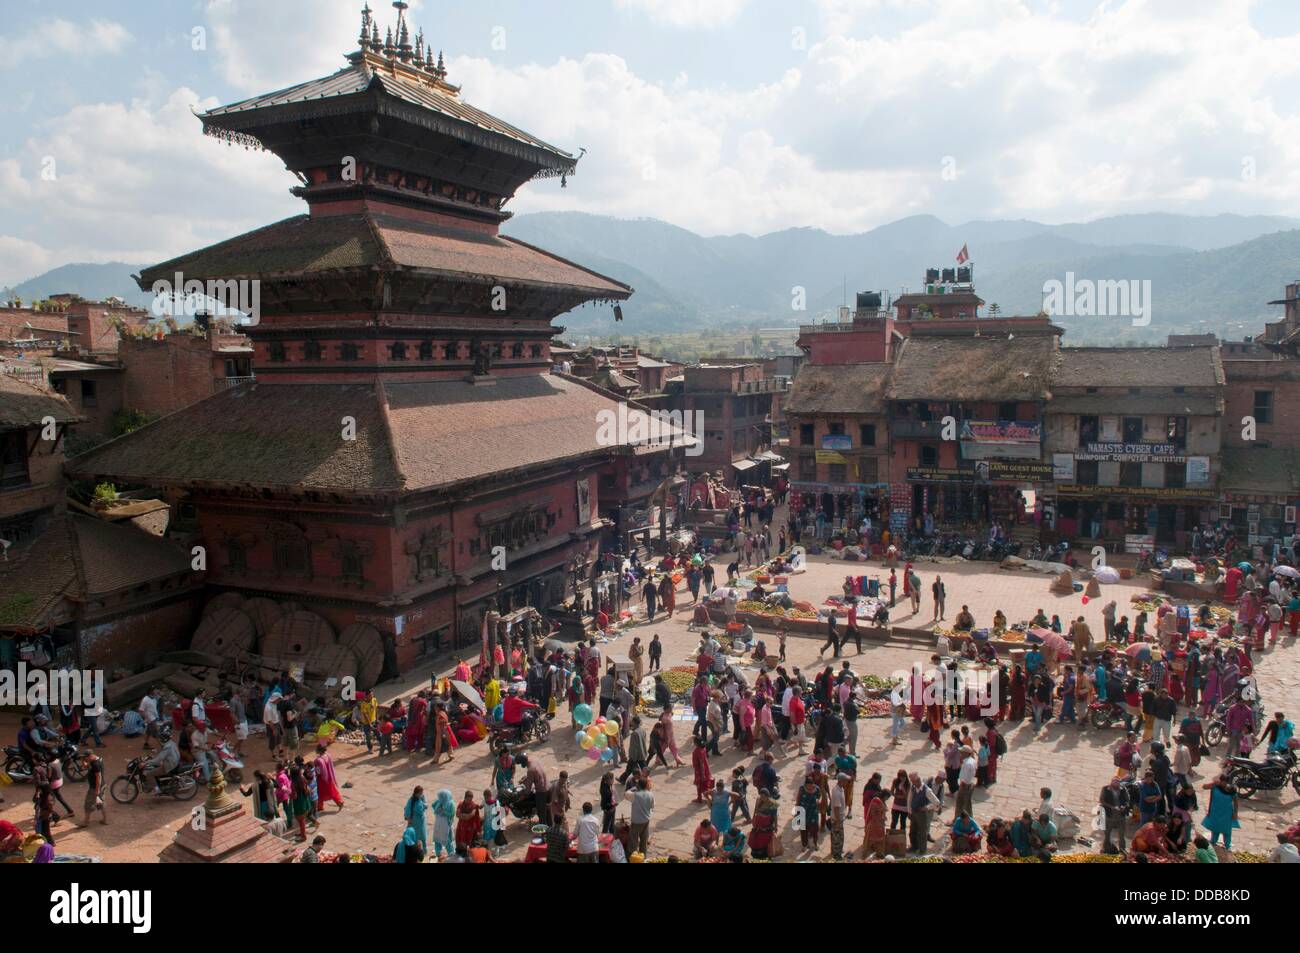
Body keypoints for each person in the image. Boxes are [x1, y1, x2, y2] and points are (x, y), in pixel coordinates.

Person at [1201, 776, 1240, 851]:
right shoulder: (1215, 787)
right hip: (1215, 811)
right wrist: (1213, 783)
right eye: (1222, 781)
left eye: (1225, 781)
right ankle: (1213, 842)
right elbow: (1204, 787)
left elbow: (1236, 802)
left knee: (1227, 830)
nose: (1223, 783)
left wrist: (1235, 813)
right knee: (1215, 828)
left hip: (1227, 813)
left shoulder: (1232, 789)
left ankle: (1227, 845)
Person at [1099, 777, 1130, 854]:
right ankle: (1106, 848)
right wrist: (1112, 807)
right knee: (1107, 833)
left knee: (1122, 834)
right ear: (1112, 782)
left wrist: (1124, 806)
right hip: (1110, 815)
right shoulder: (1105, 789)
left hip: (1121, 815)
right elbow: (1102, 800)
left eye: (1118, 782)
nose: (1116, 784)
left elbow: (1127, 800)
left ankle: (1122, 849)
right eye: (1115, 782)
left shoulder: (1123, 789)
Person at [624, 777, 654, 856]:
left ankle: (632, 856)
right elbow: (652, 806)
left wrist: (634, 787)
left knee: (633, 840)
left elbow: (626, 793)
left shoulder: (634, 795)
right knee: (644, 840)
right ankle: (642, 856)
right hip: (646, 820)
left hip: (636, 822)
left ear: (638, 786)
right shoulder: (650, 794)